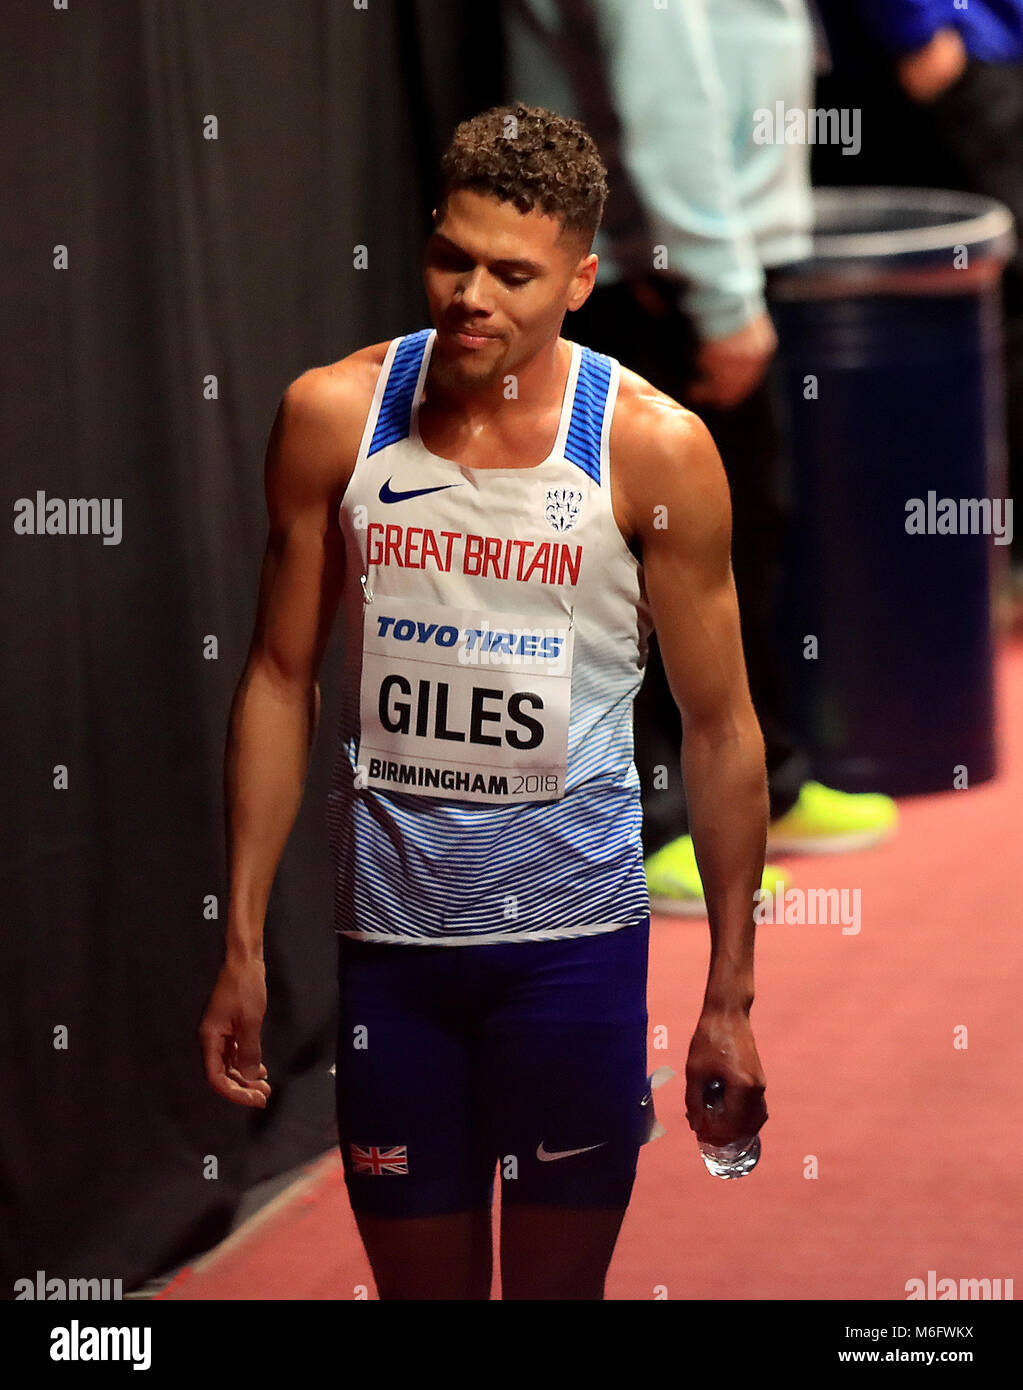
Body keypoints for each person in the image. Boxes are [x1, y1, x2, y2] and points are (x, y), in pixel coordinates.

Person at [198, 104, 768, 1301]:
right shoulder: (334, 419)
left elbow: (721, 731)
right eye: (452, 257)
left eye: (514, 272)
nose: (472, 294)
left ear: (579, 279)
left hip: (573, 959)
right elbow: (278, 677)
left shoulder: (654, 450)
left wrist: (729, 996)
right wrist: (242, 937)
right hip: (392, 960)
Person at [503, 0, 899, 915]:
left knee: (739, 547)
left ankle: (767, 789)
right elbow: (662, 96)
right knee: (647, 567)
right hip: (656, 273)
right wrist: (715, 291)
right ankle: (662, 823)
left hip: (699, 258)